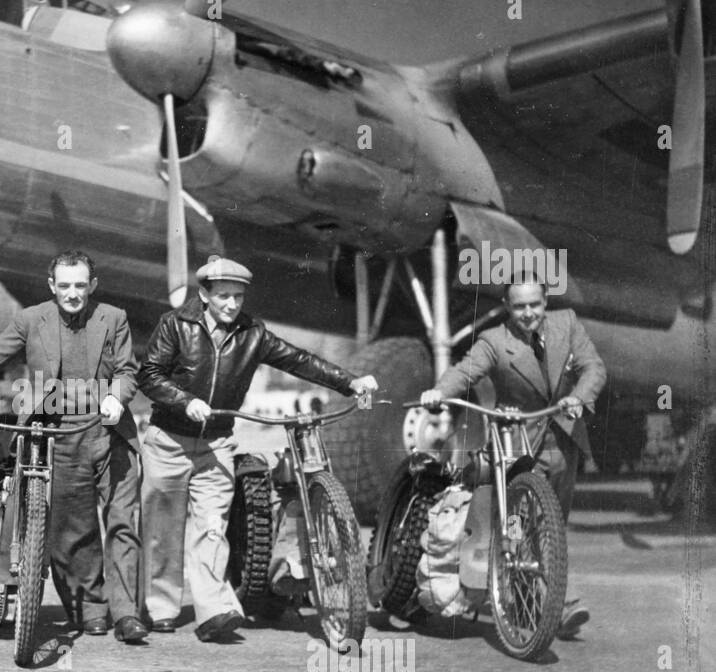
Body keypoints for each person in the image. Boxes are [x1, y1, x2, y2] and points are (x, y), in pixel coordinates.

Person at [138, 256, 378, 642]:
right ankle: (161, 607)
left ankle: (213, 610)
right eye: (223, 297)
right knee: (163, 530)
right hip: (169, 439)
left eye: (238, 296)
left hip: (216, 442)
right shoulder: (176, 325)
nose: (232, 305)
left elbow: (299, 360)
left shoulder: (253, 334)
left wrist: (349, 382)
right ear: (204, 295)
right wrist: (183, 400)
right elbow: (149, 374)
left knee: (213, 528)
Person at [0, 250, 147, 642]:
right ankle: (91, 608)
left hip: (109, 432)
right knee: (71, 530)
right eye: (65, 286)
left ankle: (127, 613)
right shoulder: (30, 319)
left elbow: (129, 369)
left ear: (92, 285)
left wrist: (117, 395)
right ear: (52, 286)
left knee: (123, 523)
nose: (73, 293)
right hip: (55, 434)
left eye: (81, 285)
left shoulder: (113, 318)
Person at [420, 279, 606, 636]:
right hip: (517, 441)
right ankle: (555, 603)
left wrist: (579, 398)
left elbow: (593, 368)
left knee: (552, 523)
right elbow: (465, 370)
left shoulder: (567, 323)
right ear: (507, 306)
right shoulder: (494, 341)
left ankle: (539, 604)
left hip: (562, 437)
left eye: (535, 304)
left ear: (545, 301)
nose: (528, 313)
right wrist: (439, 392)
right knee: (519, 524)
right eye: (519, 307)